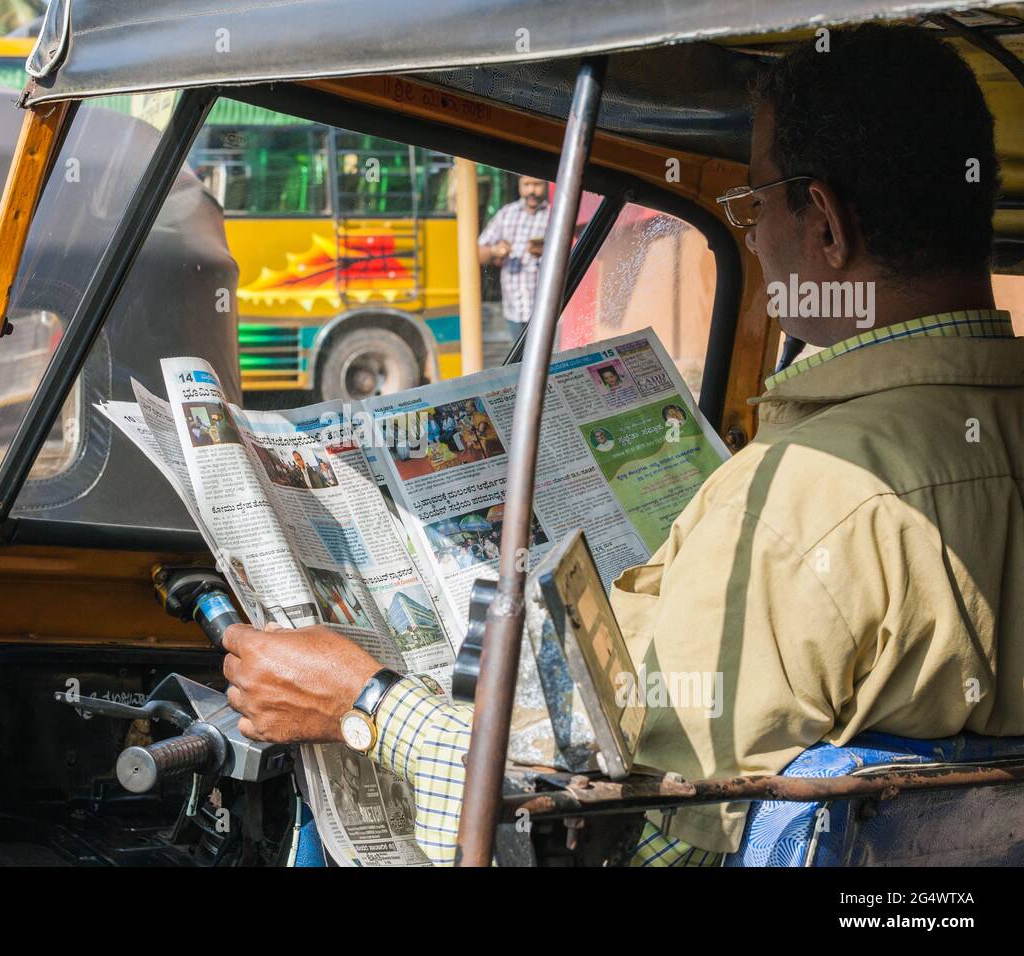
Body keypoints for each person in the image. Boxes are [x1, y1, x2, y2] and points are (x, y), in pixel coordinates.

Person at [216, 24, 1024, 866]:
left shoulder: (807, 499)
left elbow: (611, 828)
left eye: (752, 207)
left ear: (824, 221)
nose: (751, 236)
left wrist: (367, 705)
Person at [477, 175, 550, 341]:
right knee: (520, 360)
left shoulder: (554, 213)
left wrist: (545, 251)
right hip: (514, 307)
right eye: (527, 184)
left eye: (537, 184)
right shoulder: (506, 213)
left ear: (545, 185)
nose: (532, 190)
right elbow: (478, 251)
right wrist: (496, 250)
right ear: (519, 185)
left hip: (545, 306)